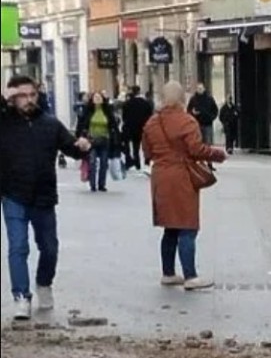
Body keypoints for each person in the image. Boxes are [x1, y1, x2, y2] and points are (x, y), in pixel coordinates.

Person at [1, 75, 92, 319]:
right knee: (18, 247)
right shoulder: (4, 122)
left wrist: (83, 146)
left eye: (32, 95)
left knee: (49, 248)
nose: (29, 100)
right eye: (22, 96)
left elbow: (71, 148)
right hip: (13, 194)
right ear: (12, 98)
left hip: (43, 196)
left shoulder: (50, 124)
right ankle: (21, 297)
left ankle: (44, 283)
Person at [141, 80, 227, 290]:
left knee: (170, 227)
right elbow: (196, 149)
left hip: (160, 177)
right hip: (181, 177)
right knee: (187, 226)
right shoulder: (187, 121)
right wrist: (217, 154)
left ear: (161, 98)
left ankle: (168, 273)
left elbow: (147, 151)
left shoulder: (151, 123)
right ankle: (191, 276)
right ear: (182, 99)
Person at [74, 91, 120, 193]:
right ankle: (92, 184)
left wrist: (117, 138)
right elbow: (81, 124)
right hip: (91, 140)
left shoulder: (107, 111)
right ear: (92, 99)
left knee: (104, 163)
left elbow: (113, 125)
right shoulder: (88, 110)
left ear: (103, 99)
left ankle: (102, 184)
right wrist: (79, 137)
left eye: (99, 97)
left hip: (105, 139)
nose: (97, 99)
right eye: (95, 97)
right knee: (92, 161)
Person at [121, 85, 153, 171]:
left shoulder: (127, 103)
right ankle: (142, 161)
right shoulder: (145, 103)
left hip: (129, 127)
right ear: (139, 92)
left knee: (130, 146)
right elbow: (150, 116)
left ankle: (132, 161)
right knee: (140, 146)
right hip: (141, 128)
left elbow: (124, 117)